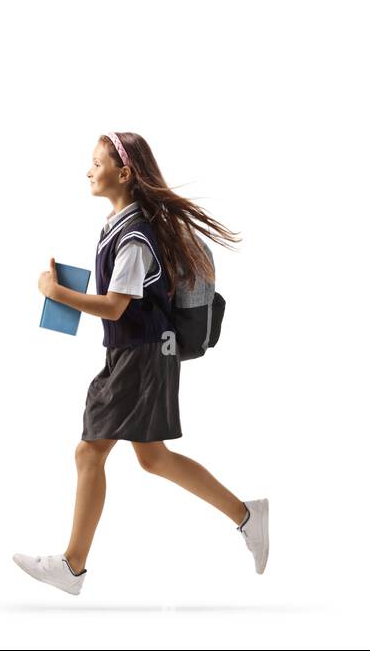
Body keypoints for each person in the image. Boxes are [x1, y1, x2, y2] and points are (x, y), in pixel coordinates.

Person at [14, 133, 268, 595]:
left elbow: (114, 307)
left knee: (90, 451)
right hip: (137, 354)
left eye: (97, 163)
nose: (89, 171)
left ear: (125, 173)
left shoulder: (134, 237)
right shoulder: (121, 226)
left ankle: (72, 566)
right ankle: (248, 515)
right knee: (152, 458)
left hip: (143, 355)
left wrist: (56, 293)